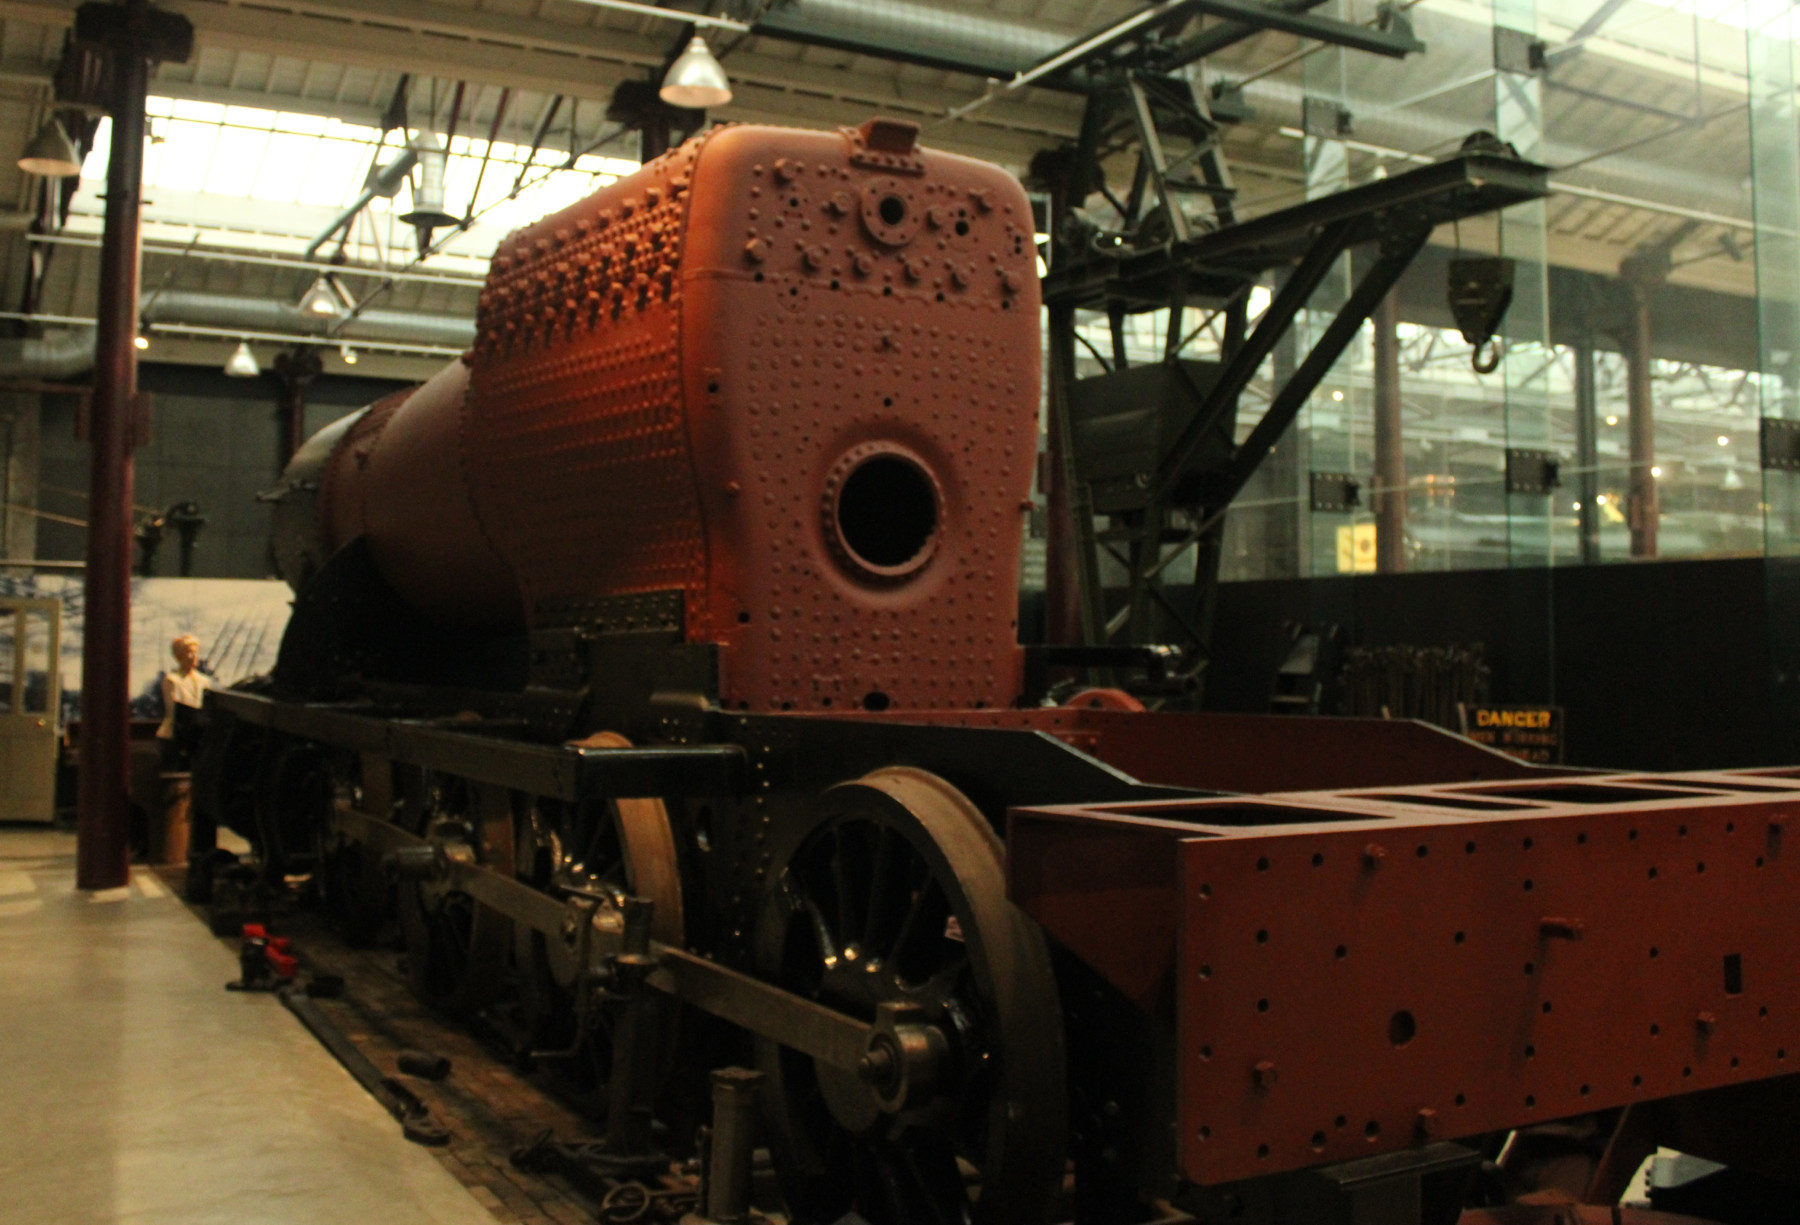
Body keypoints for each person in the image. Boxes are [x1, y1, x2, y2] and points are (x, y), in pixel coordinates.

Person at [156, 633, 210, 770]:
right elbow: (173, 711)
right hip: (173, 736)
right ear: (179, 656)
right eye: (189, 652)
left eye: (195, 652)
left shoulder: (204, 681)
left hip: (195, 736)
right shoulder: (172, 680)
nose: (193, 656)